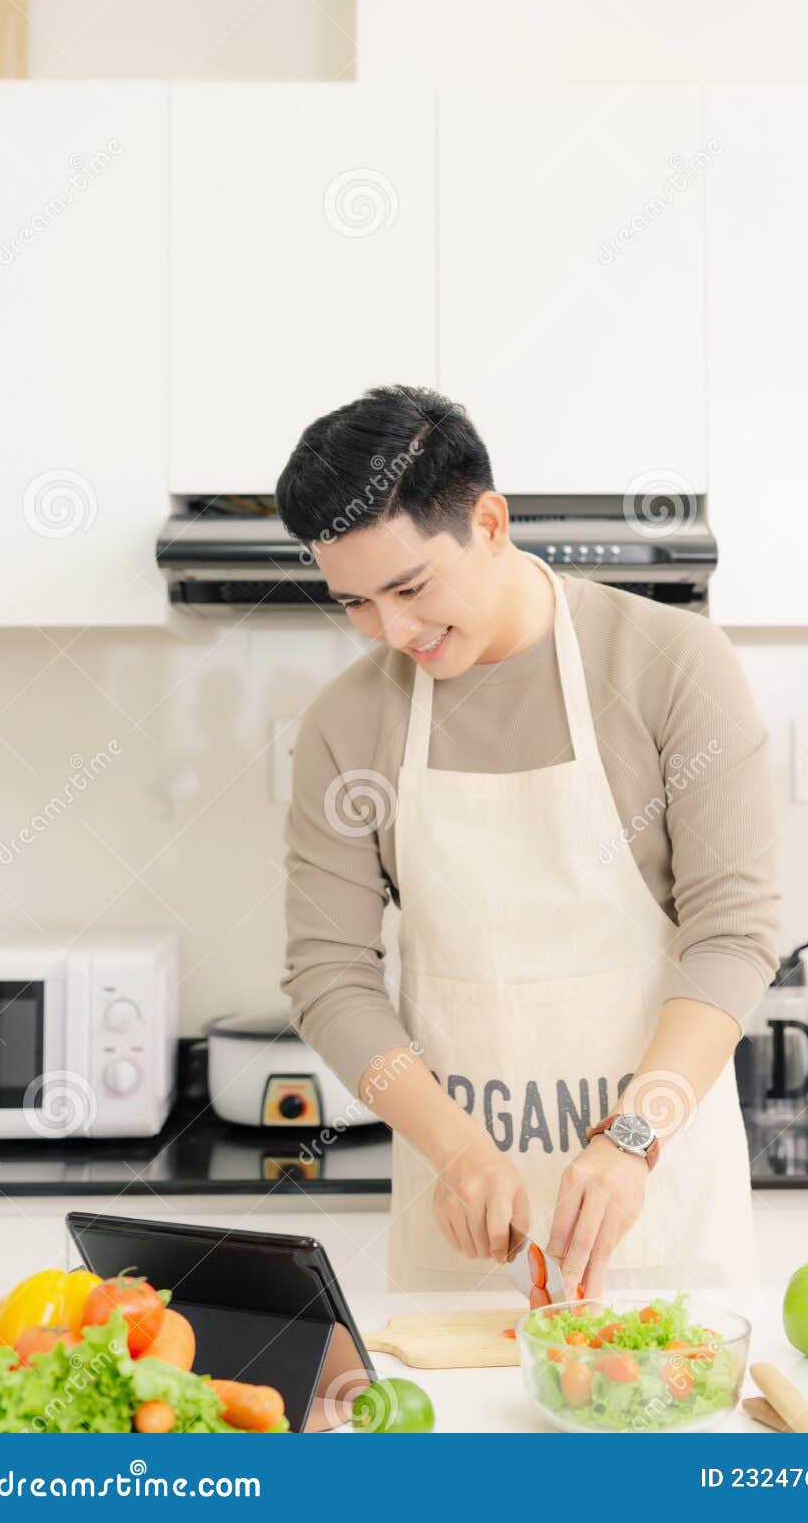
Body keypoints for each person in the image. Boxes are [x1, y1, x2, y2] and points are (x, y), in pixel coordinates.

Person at [277, 386, 780, 1296]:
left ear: (490, 521)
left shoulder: (671, 665)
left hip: (663, 1208)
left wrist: (634, 1137)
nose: (396, 631)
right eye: (354, 602)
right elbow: (328, 973)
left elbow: (734, 934)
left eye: (411, 586)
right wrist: (457, 1149)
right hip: (466, 1233)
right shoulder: (346, 725)